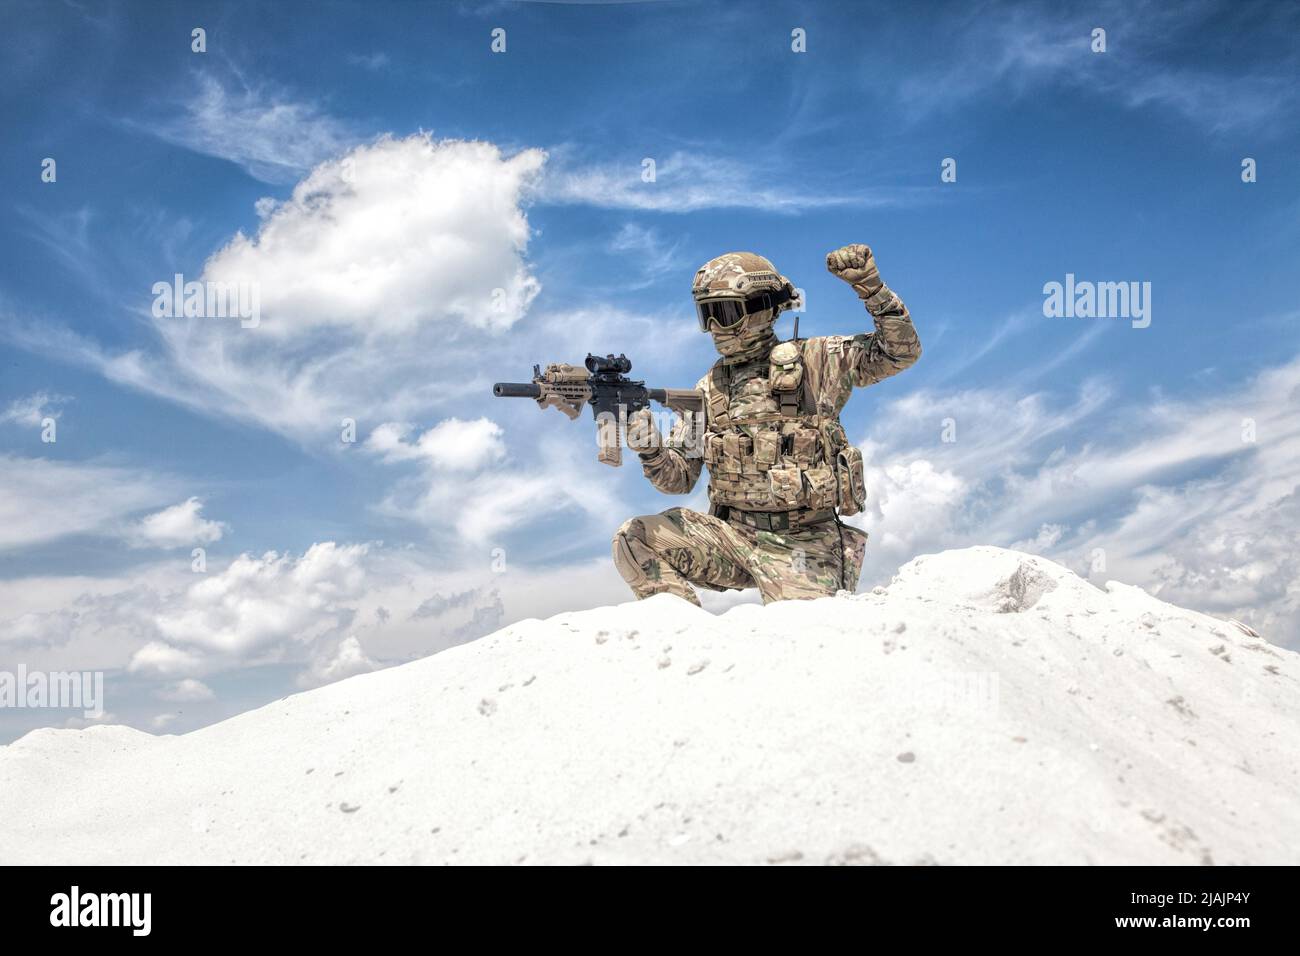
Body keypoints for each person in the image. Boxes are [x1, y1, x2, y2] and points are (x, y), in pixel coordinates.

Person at [612, 244, 921, 605]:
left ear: (761, 309)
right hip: (733, 537)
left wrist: (871, 288)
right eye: (706, 315)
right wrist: (650, 448)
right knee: (635, 538)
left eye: (724, 312)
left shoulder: (817, 362)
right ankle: (687, 643)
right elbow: (679, 479)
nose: (714, 328)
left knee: (802, 645)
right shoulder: (707, 388)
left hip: (805, 544)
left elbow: (899, 352)